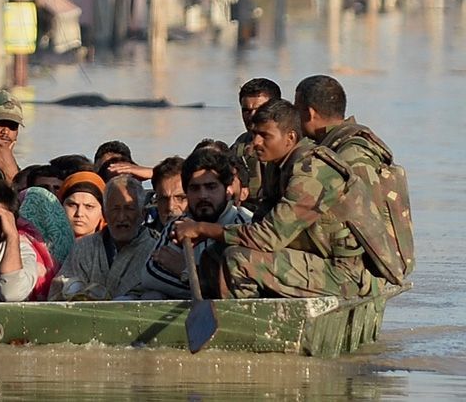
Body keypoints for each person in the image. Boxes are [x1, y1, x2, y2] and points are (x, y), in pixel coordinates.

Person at [173, 99, 377, 299]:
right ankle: (218, 311)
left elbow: (268, 237)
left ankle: (250, 316)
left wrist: (203, 229)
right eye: (254, 134)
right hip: (313, 262)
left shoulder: (311, 173)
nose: (256, 143)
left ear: (290, 138)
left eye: (264, 136)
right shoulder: (277, 167)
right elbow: (259, 224)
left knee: (240, 259)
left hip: (344, 274)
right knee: (215, 255)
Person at [294, 74, 414, 282]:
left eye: (297, 110)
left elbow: (369, 221)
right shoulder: (335, 145)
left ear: (310, 113)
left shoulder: (352, 155)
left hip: (365, 268)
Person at [140, 149, 251, 299]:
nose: (203, 195)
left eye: (211, 187)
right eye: (195, 188)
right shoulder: (178, 225)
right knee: (152, 297)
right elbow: (151, 275)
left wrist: (185, 269)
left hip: (233, 312)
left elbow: (238, 290)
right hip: (190, 308)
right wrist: (209, 289)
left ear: (228, 190)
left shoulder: (245, 226)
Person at [49, 175, 158, 301]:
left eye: (129, 209)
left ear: (142, 214)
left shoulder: (155, 248)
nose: (121, 217)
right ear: (105, 214)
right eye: (115, 209)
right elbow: (60, 290)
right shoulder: (84, 247)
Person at [230, 78, 282, 213]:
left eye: (259, 110)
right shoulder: (239, 146)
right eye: (246, 111)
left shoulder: (292, 146)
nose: (252, 116)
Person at [58, 171, 106, 239]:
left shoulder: (113, 244)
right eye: (72, 205)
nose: (79, 214)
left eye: (89, 206)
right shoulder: (45, 243)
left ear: (102, 212)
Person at [146, 156, 187, 232]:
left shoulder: (208, 235)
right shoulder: (146, 237)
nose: (170, 207)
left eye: (180, 198)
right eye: (163, 199)